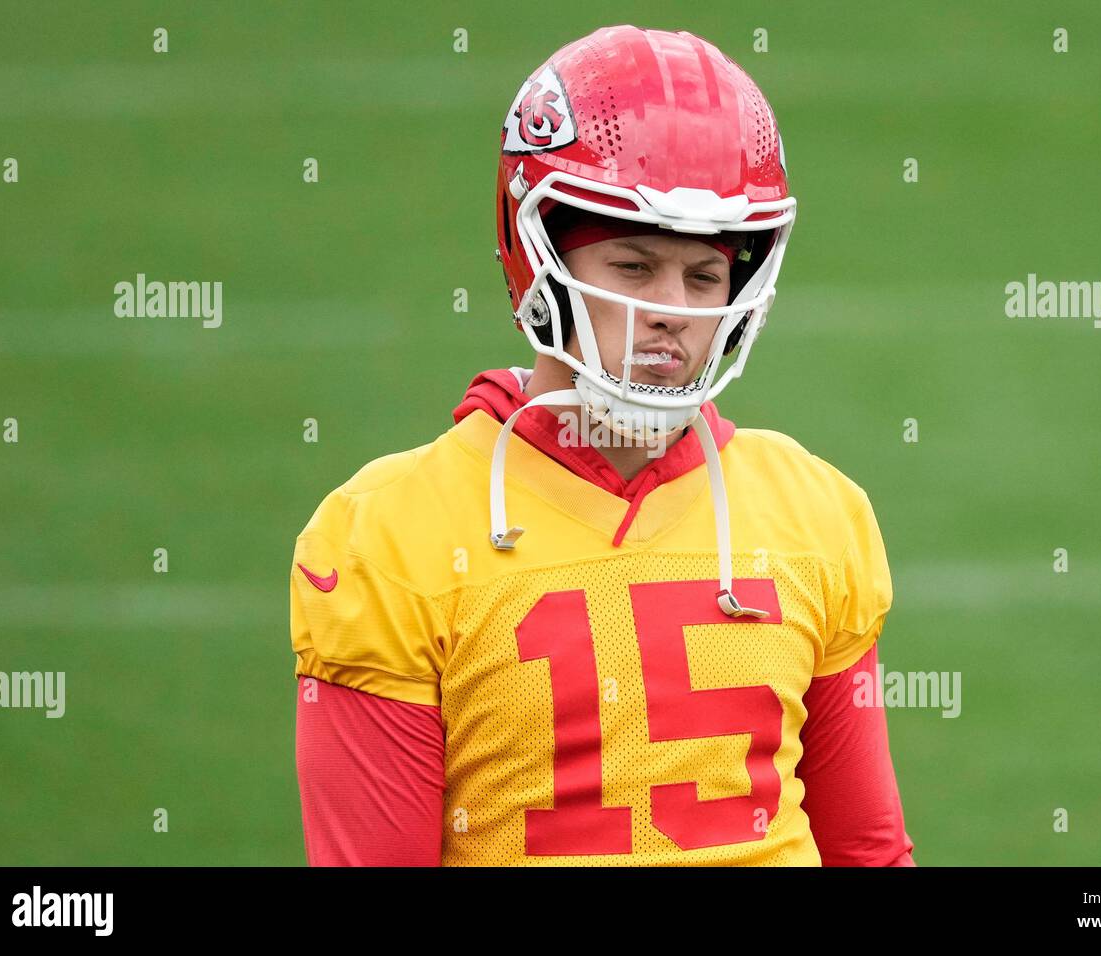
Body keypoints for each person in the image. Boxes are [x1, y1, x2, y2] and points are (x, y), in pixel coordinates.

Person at [291, 23, 915, 866]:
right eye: (632, 265)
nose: (673, 310)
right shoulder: (389, 534)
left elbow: (867, 854)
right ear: (538, 259)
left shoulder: (813, 510)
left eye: (704, 276)